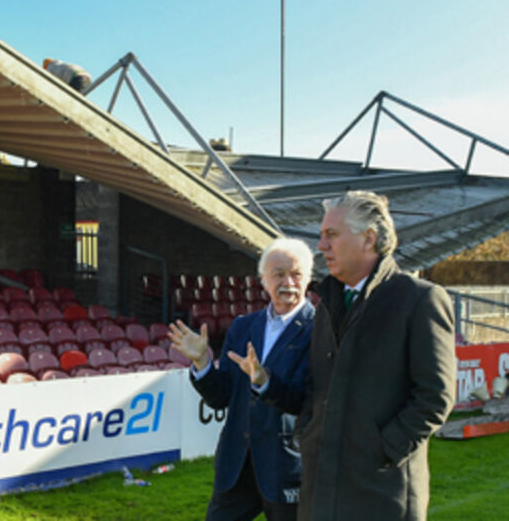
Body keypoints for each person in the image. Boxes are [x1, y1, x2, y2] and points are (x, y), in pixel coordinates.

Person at [269, 190, 455, 520]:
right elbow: (316, 385)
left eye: (331, 235)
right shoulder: (327, 304)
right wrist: (309, 433)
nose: (321, 245)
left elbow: (435, 396)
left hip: (382, 493)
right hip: (320, 491)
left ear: (368, 239)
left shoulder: (419, 299)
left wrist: (381, 449)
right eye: (322, 235)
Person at [168, 237, 315, 521]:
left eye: (296, 274)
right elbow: (222, 396)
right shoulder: (243, 326)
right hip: (236, 466)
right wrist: (202, 362)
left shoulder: (319, 330)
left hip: (286, 466)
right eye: (279, 274)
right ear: (263, 280)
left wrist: (263, 381)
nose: (288, 282)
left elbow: (302, 399)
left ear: (308, 279)